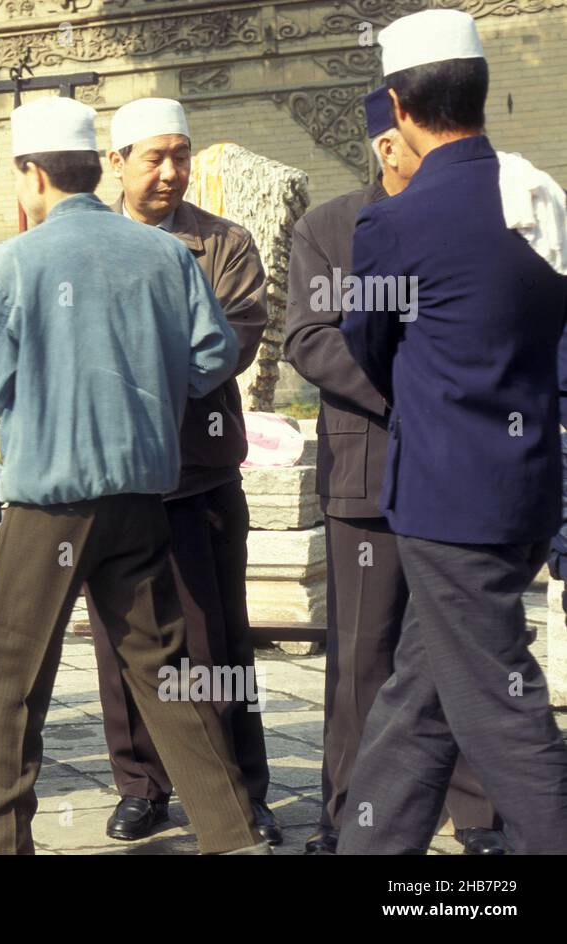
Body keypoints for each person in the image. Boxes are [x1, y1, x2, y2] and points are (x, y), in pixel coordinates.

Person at [0, 95, 264, 855]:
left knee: (6, 681)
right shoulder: (165, 256)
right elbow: (211, 358)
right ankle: (232, 835)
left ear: (30, 174)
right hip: (142, 496)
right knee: (165, 672)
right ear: (98, 168)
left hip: (50, 506)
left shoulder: (7, 266)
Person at [339, 9, 567, 854]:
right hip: (526, 487)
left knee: (501, 709)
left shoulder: (392, 224)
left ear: (397, 104)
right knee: (420, 699)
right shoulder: (537, 197)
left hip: (446, 502)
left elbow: (371, 349)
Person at [284, 85, 504, 855]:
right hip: (367, 472)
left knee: (462, 648)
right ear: (389, 145)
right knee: (361, 657)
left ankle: (478, 815)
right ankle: (346, 814)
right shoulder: (330, 228)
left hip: (455, 473)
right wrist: (411, 389)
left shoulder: (480, 216)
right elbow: (310, 338)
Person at [92, 96, 279, 844]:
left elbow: (232, 343)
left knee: (216, 642)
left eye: (181, 156)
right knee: (122, 643)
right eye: (153, 157)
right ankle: (141, 785)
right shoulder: (87, 242)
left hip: (199, 475)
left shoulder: (223, 244)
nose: (170, 172)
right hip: (117, 477)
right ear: (116, 163)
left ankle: (240, 786)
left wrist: (127, 358)